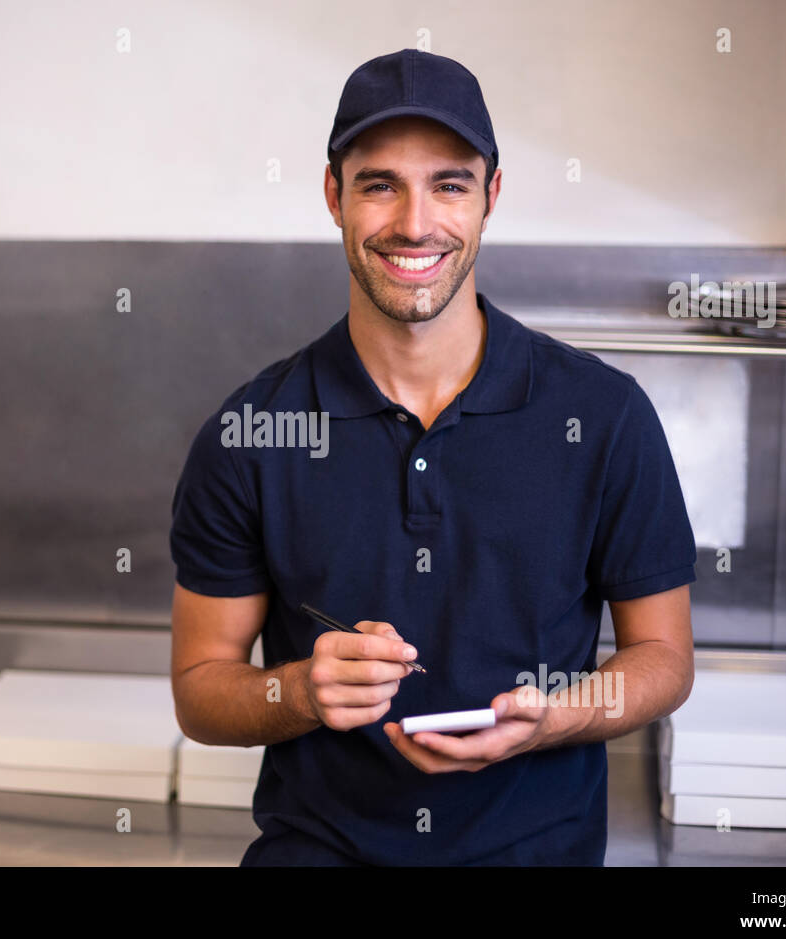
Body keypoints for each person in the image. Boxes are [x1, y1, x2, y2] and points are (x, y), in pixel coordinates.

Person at [169, 49, 696, 866]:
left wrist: (552, 718)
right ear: (333, 196)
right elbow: (202, 690)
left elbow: (664, 659)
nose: (415, 224)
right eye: (379, 185)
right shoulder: (251, 432)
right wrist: (299, 689)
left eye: (449, 185)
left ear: (491, 196)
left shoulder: (603, 415)